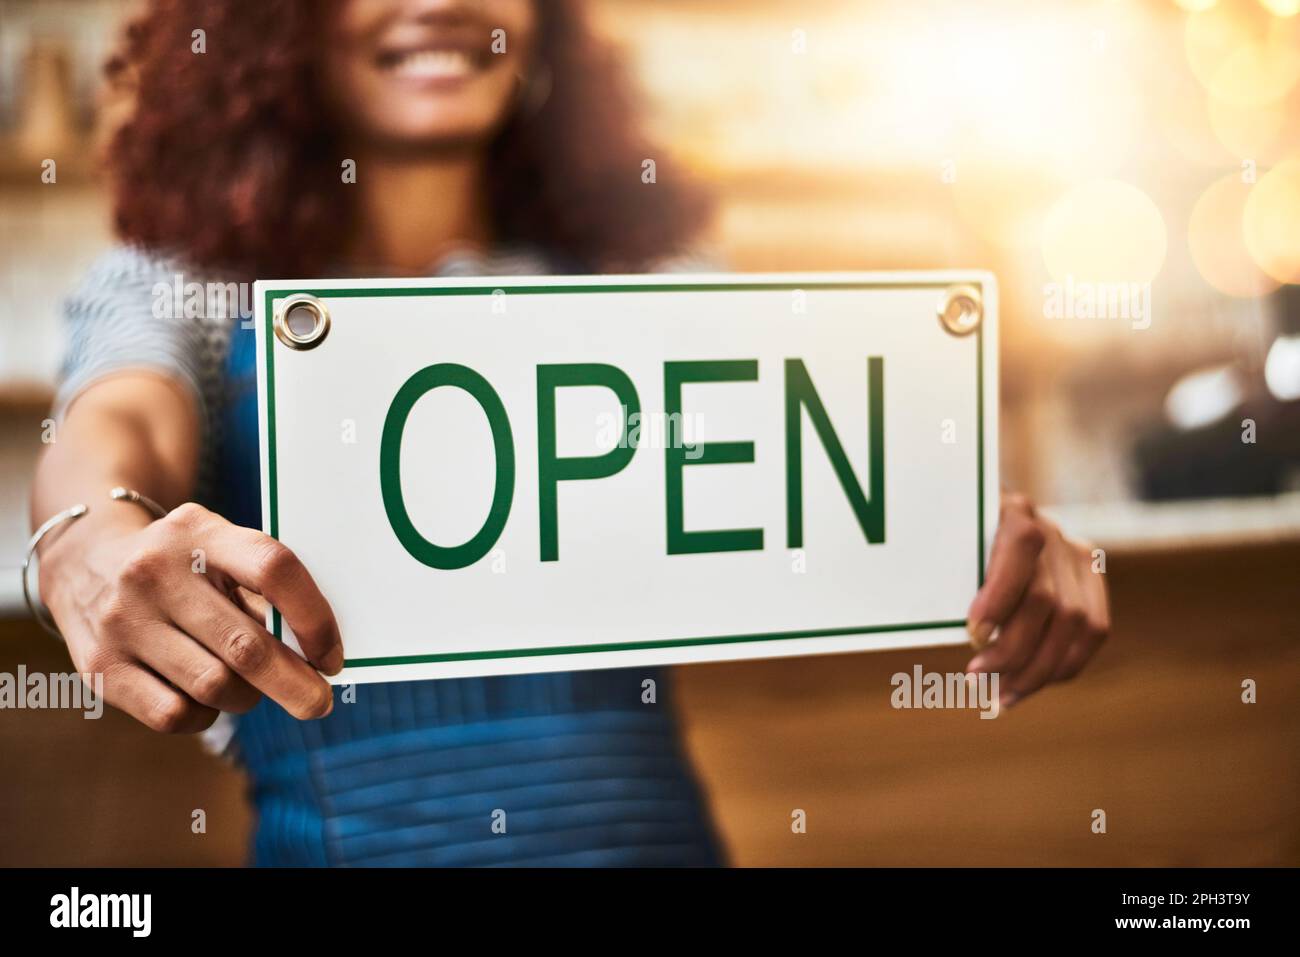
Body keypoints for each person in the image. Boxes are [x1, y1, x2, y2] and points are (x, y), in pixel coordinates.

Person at [30, 0, 1110, 866]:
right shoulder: (183, 293)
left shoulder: (647, 285)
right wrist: (90, 540)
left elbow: (853, 483)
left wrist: (994, 541)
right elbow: (115, 424)